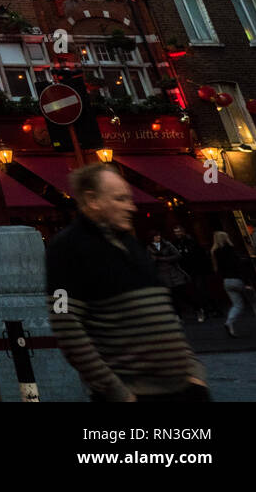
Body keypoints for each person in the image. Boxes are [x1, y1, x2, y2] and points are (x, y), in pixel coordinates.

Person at [47, 164, 209, 402]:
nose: (131, 207)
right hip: (136, 393)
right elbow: (65, 324)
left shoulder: (131, 244)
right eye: (120, 199)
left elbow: (162, 314)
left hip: (185, 388)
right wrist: (117, 391)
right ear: (93, 200)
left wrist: (195, 372)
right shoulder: (66, 249)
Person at [211, 231, 256, 338]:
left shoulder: (215, 252)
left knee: (237, 305)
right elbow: (238, 266)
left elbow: (218, 270)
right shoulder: (230, 250)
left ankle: (229, 322)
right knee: (255, 303)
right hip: (238, 280)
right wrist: (247, 282)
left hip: (227, 281)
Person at [171, 225, 212, 321]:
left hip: (196, 269)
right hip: (186, 271)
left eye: (178, 231)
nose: (177, 234)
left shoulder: (190, 241)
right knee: (193, 291)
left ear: (183, 231)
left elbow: (198, 255)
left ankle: (206, 310)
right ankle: (202, 310)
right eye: (175, 232)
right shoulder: (176, 243)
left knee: (200, 290)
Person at [147, 231, 192, 319]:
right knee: (172, 297)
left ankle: (197, 309)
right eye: (155, 236)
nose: (158, 237)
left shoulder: (167, 244)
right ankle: (178, 316)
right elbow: (149, 261)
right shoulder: (149, 248)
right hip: (162, 275)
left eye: (158, 235)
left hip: (173, 273)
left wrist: (163, 258)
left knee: (183, 293)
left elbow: (178, 255)